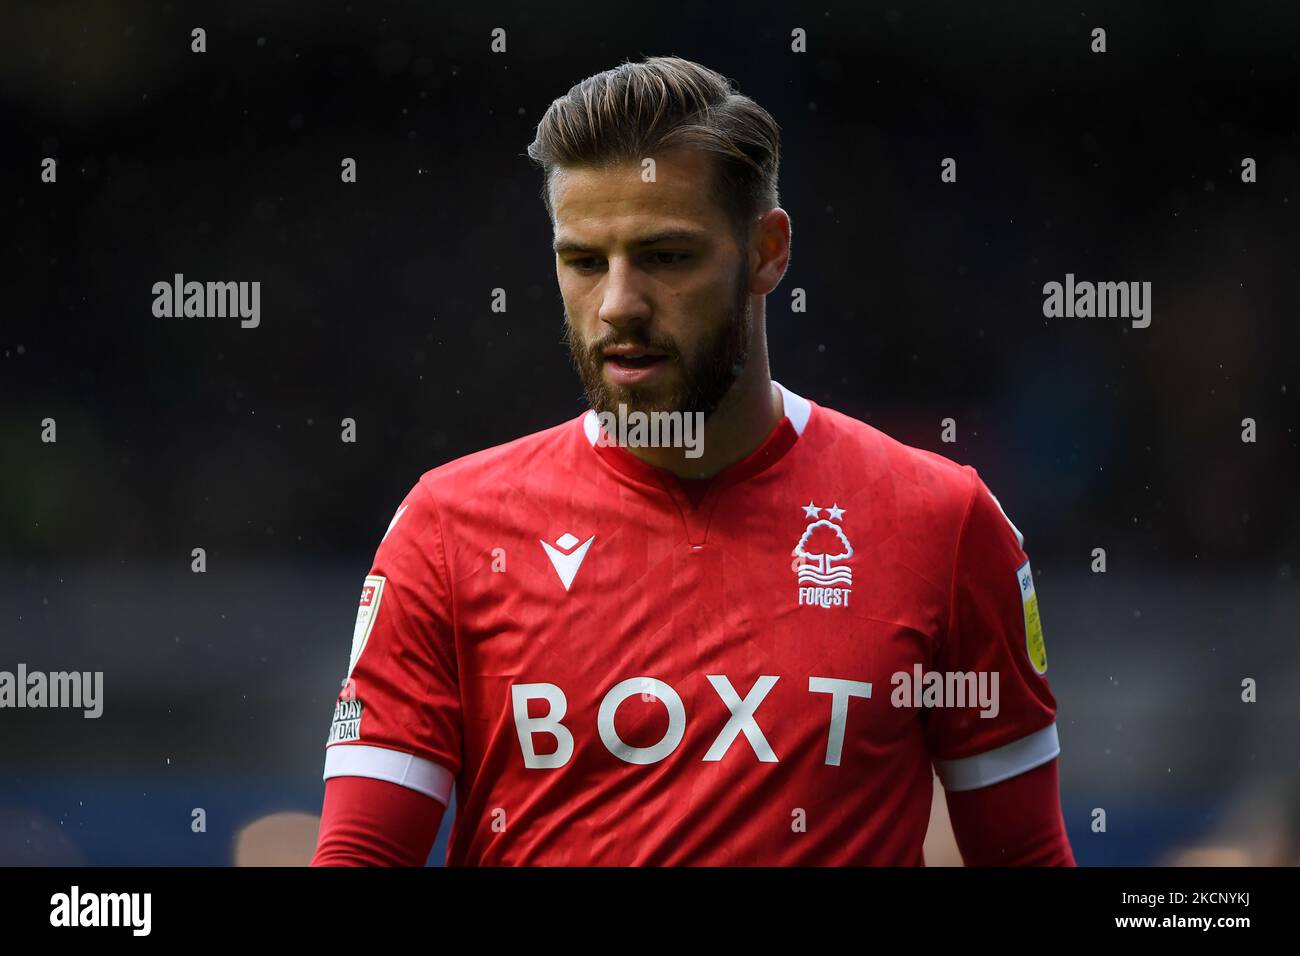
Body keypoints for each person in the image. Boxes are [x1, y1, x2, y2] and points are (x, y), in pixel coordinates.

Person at [311, 55, 1074, 866]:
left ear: (767, 253)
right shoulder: (448, 529)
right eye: (583, 261)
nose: (618, 304)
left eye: (666, 257)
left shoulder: (941, 522)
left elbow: (1025, 855)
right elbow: (361, 856)